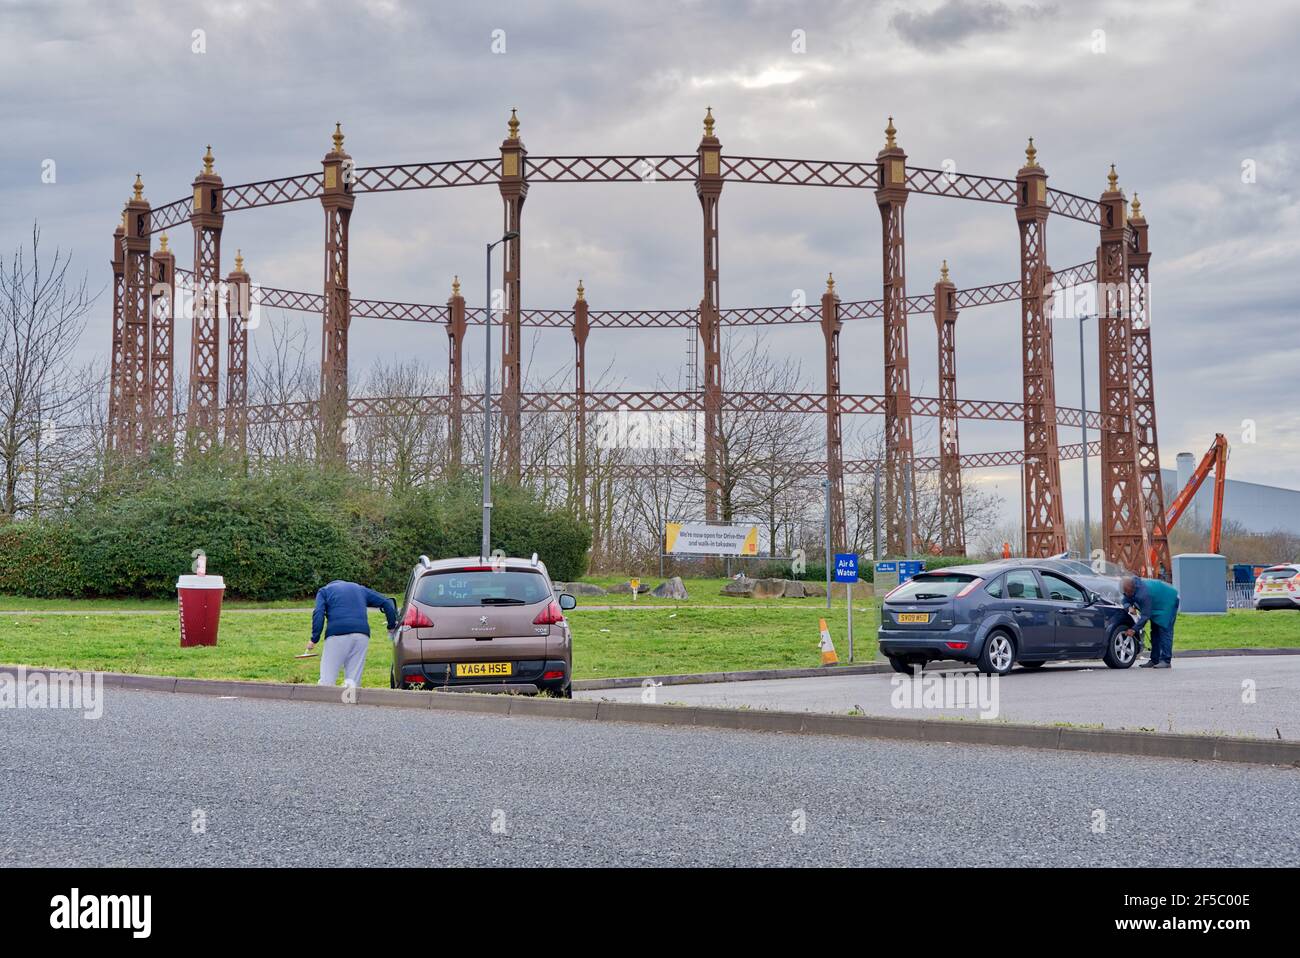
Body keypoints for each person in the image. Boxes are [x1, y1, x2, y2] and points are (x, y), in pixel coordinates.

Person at [307, 580, 398, 688]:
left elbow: (318, 613)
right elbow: (387, 602)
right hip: (361, 635)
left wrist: (314, 638)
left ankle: (326, 702)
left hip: (336, 635)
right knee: (352, 681)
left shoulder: (324, 591)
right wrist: (391, 627)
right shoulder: (360, 589)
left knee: (327, 680)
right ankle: (349, 701)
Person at [1121, 574, 1180, 669]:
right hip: (1157, 601)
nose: (1126, 594)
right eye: (1125, 592)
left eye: (1127, 592)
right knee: (1155, 632)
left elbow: (1145, 616)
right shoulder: (1130, 588)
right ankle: (1155, 660)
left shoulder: (1143, 594)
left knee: (1165, 630)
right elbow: (1124, 600)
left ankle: (1166, 660)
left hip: (1169, 601)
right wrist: (1129, 607)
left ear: (1132, 589)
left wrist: (1133, 630)